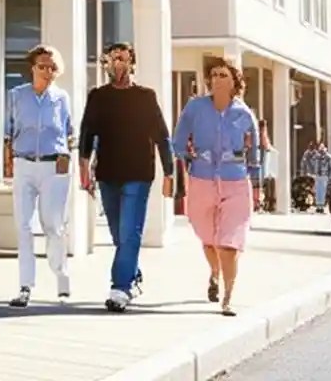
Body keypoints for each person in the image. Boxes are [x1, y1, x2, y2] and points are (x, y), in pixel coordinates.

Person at [78, 42, 174, 312]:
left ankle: (120, 288)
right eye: (111, 59)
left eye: (122, 58)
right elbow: (87, 132)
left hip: (138, 173)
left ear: (132, 63)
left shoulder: (145, 96)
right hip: (108, 173)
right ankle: (132, 273)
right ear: (105, 65)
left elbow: (162, 136)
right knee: (119, 235)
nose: (116, 63)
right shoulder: (98, 96)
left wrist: (169, 172)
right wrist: (84, 167)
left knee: (130, 232)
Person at [172, 55, 259, 317]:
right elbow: (177, 141)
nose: (218, 79)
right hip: (202, 179)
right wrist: (189, 158)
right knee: (208, 240)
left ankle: (228, 297)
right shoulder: (195, 108)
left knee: (229, 243)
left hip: (235, 182)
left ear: (235, 81)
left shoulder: (244, 114)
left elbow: (255, 153)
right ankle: (214, 272)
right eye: (215, 75)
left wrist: (257, 186)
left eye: (224, 75)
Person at [5, 44, 75, 308]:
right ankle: (25, 286)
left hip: (53, 166)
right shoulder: (16, 95)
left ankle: (62, 278)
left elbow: (69, 131)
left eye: (52, 67)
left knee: (53, 224)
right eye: (42, 66)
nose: (47, 71)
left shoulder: (61, 98)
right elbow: (8, 131)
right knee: (23, 225)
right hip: (24, 163)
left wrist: (68, 157)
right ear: (32, 68)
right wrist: (8, 163)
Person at [300, 140, 331, 213]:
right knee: (318, 191)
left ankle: (322, 206)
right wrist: (310, 172)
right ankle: (318, 206)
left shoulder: (328, 157)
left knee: (323, 191)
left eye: (322, 147)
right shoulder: (316, 156)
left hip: (324, 176)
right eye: (320, 147)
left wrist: (330, 176)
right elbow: (310, 163)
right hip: (317, 176)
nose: (321, 148)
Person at [251, 120, 274, 212]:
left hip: (254, 162)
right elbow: (267, 145)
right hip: (260, 162)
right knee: (259, 184)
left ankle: (256, 203)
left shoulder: (254, 134)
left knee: (255, 184)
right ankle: (257, 203)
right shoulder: (262, 135)